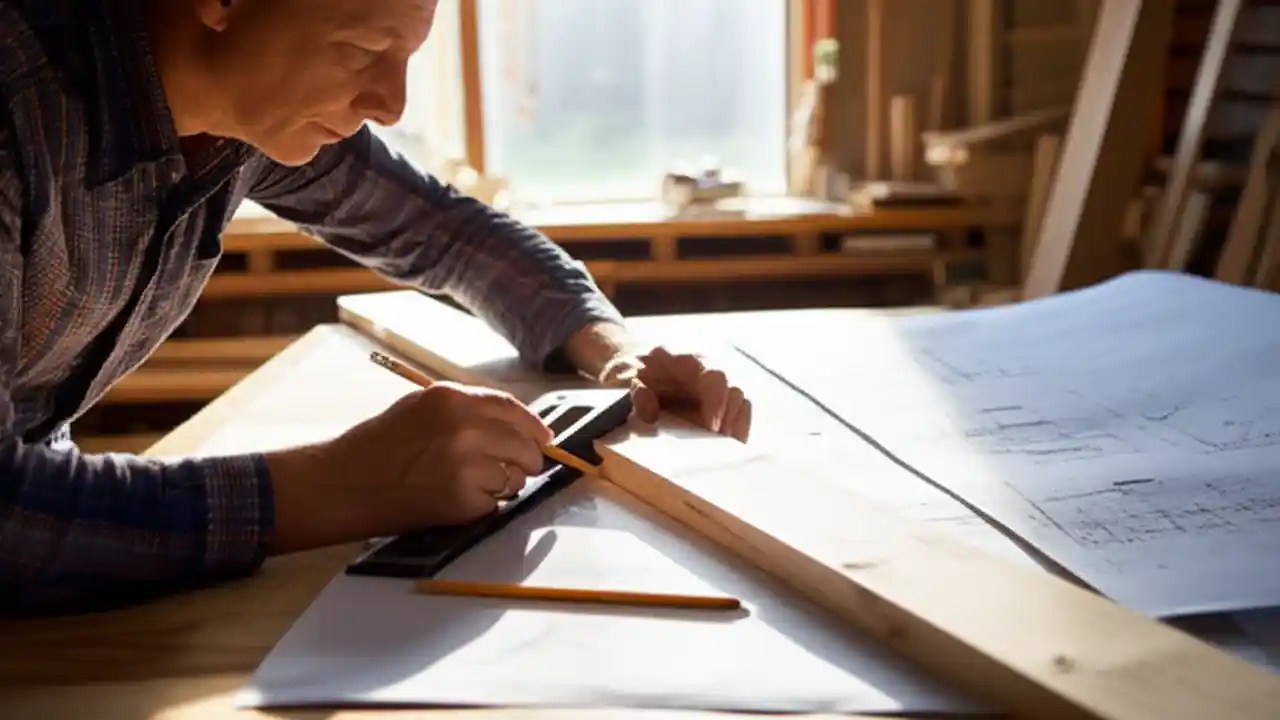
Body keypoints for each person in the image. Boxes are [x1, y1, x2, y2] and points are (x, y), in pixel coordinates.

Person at [0, 0, 752, 615]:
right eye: (362, 51)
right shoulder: (16, 102)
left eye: (406, 59)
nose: (389, 105)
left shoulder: (241, 118)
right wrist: (340, 486)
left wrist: (610, 352)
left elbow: (446, 232)